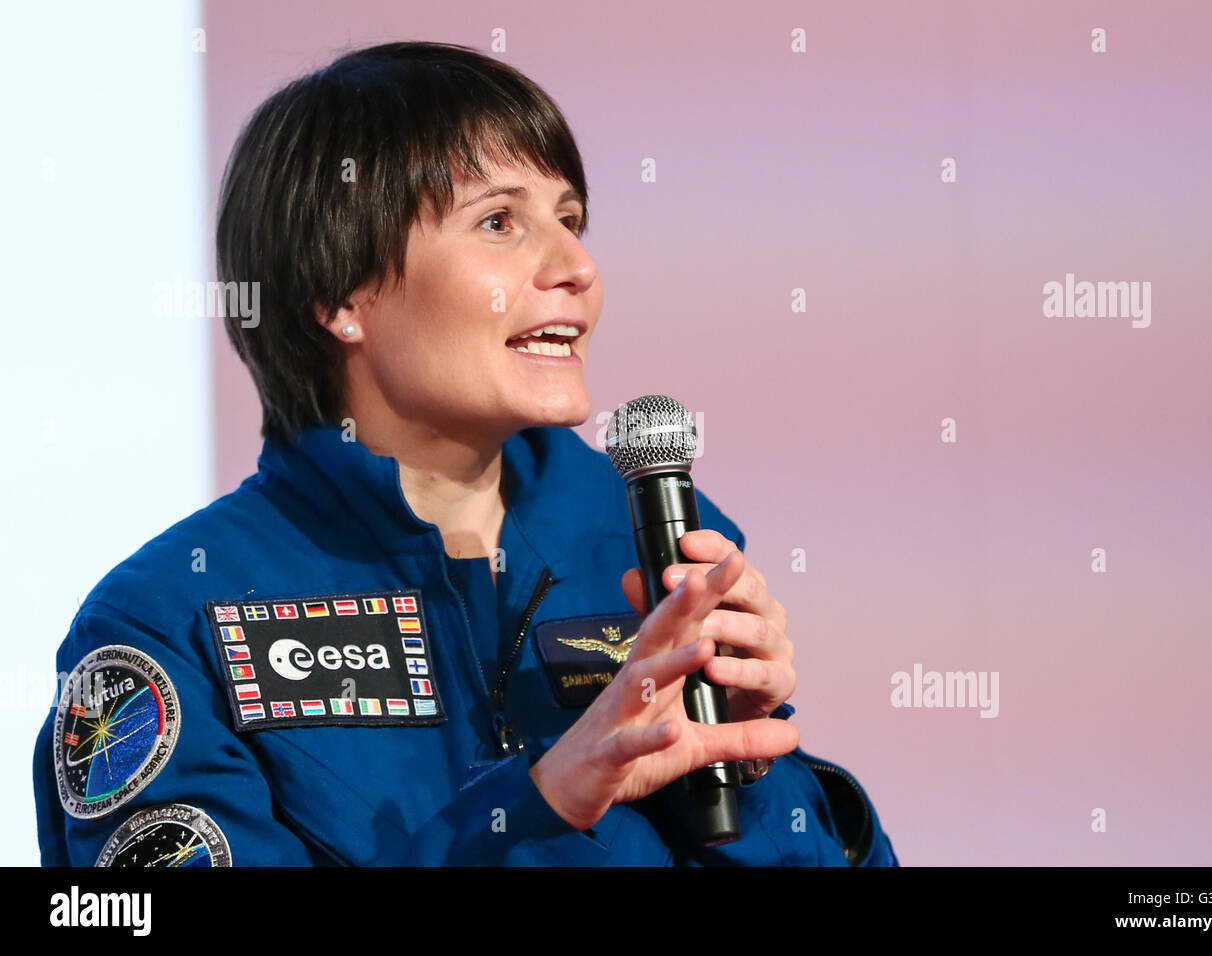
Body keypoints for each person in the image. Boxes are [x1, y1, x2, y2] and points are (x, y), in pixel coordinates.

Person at [32, 40, 898, 866]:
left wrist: (749, 771)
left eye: (571, 219)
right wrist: (545, 807)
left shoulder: (652, 544)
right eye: (499, 222)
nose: (577, 265)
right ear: (341, 295)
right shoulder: (169, 617)